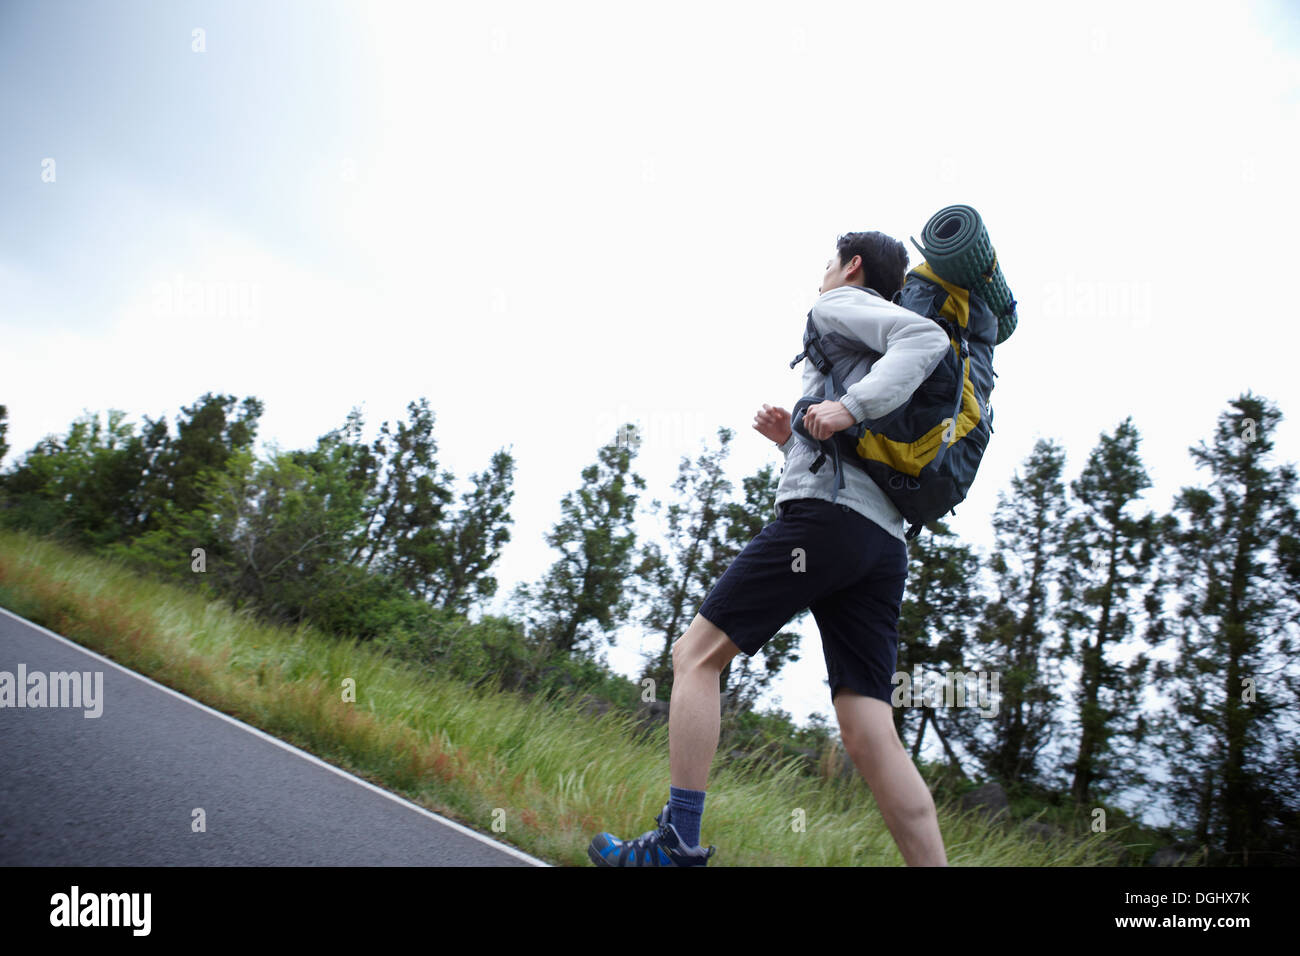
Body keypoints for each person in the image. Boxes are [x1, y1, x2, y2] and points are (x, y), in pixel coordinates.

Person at [588, 231, 952, 867]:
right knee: (868, 729)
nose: (823, 275)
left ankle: (676, 846)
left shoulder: (837, 307)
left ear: (853, 268)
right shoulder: (876, 330)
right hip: (882, 544)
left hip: (825, 526)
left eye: (828, 264)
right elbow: (865, 448)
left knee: (695, 657)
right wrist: (795, 440)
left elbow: (928, 341)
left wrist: (845, 408)